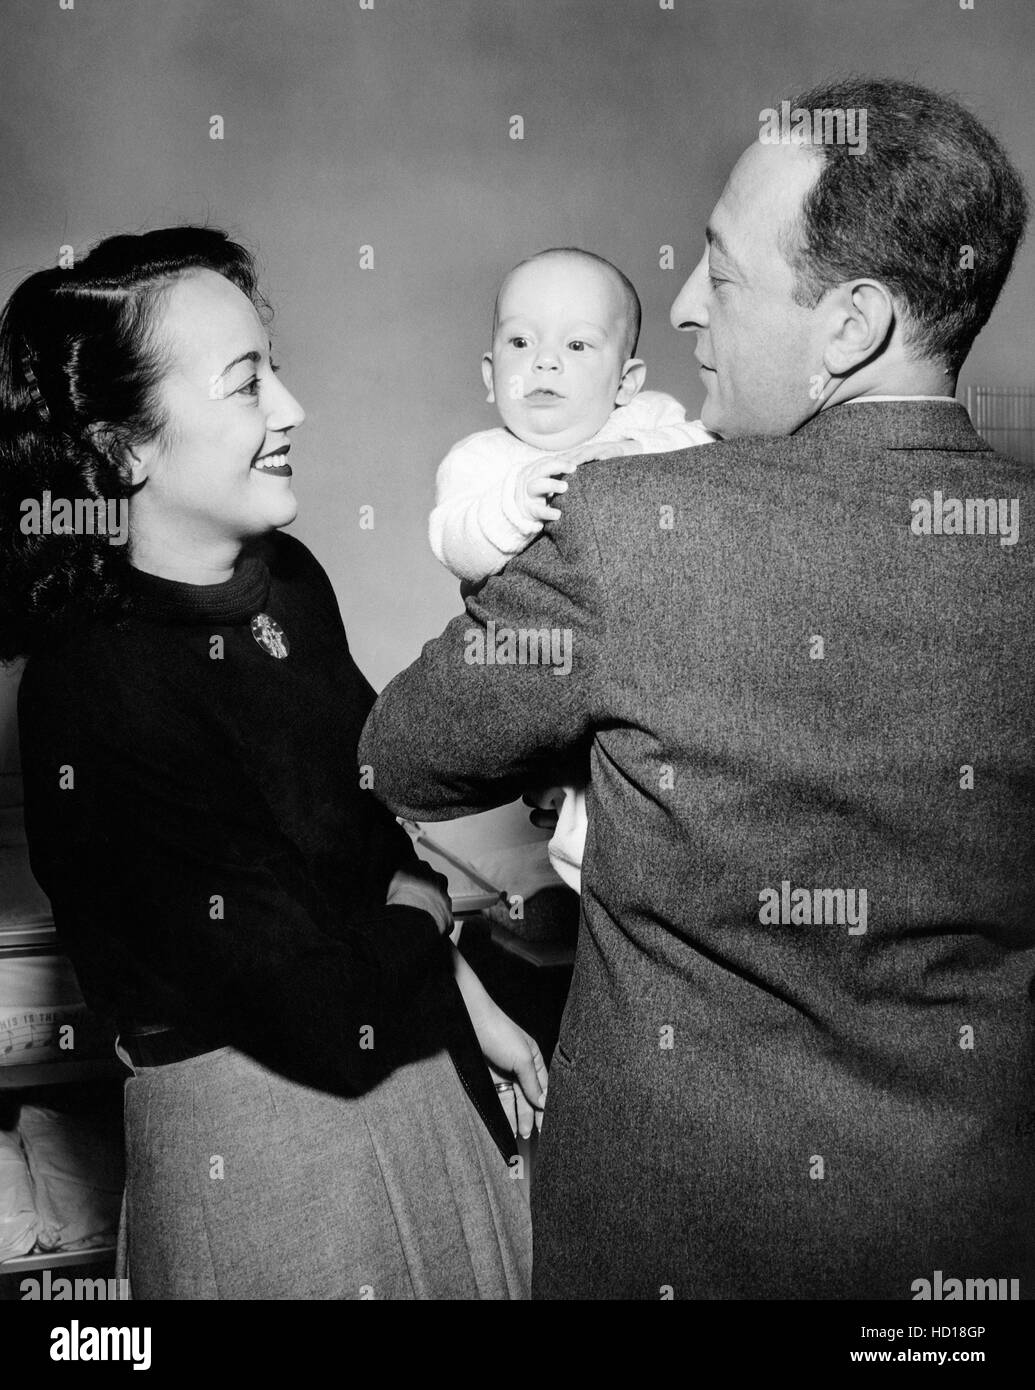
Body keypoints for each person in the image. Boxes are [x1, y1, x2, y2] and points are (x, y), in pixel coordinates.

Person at [359, 76, 1035, 1299]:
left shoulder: (633, 530)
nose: (677, 307)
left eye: (718, 274)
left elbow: (400, 752)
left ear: (850, 327)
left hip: (676, 1243)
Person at [1, 226, 543, 1299]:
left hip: (423, 1075)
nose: (293, 409)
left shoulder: (286, 579)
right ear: (122, 450)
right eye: (249, 384)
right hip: (266, 1165)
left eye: (275, 370)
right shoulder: (92, 689)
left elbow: (365, 818)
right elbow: (323, 1013)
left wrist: (467, 998)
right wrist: (431, 912)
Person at [430, 246, 713, 891]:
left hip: (659, 669)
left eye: (579, 346)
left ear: (626, 381)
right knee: (586, 834)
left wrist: (627, 453)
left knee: (661, 798)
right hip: (543, 670)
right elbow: (455, 542)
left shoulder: (649, 421)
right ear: (489, 372)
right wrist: (515, 502)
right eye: (520, 342)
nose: (544, 362)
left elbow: (709, 457)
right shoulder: (485, 461)